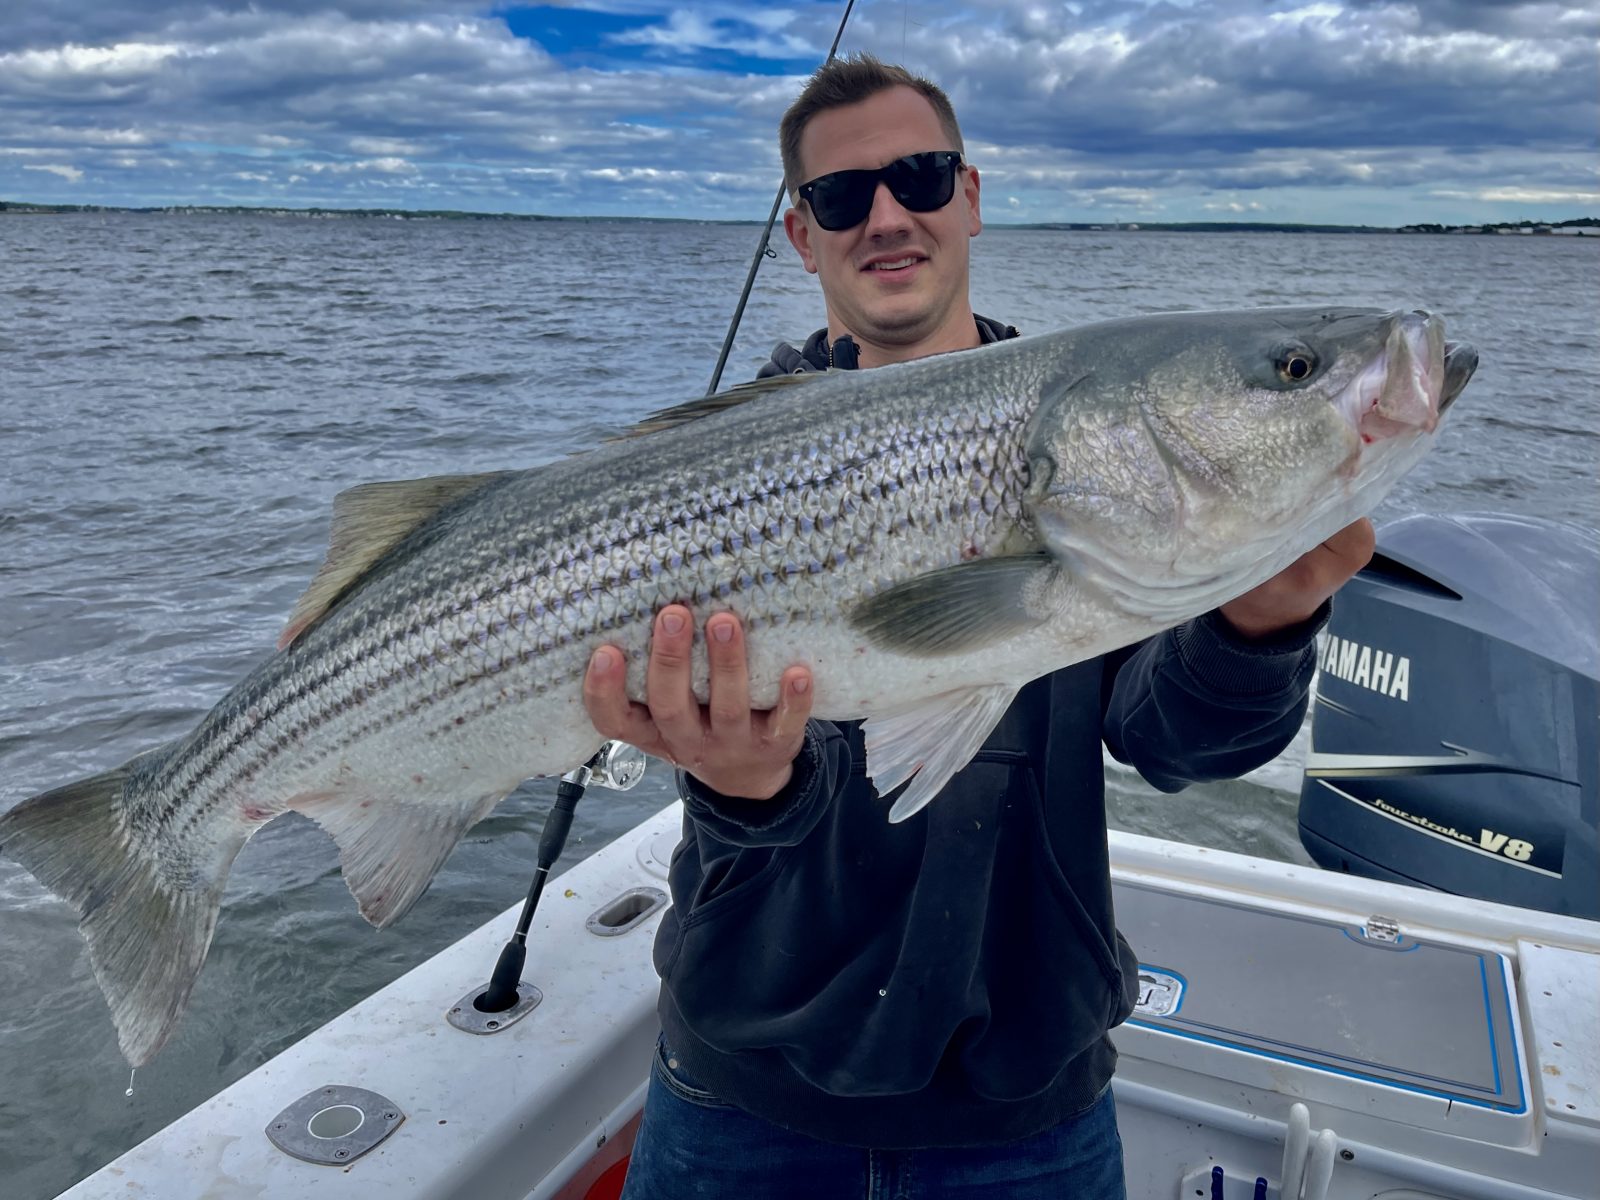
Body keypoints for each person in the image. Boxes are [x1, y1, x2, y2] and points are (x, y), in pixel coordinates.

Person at [584, 54, 1373, 1199]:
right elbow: (756, 805)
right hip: (744, 1088)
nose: (887, 216)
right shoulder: (717, 472)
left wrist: (1264, 619)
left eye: (919, 175)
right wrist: (744, 787)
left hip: (1027, 1108)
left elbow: (1175, 744)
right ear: (801, 238)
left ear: (971, 196)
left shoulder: (1100, 440)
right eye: (842, 198)